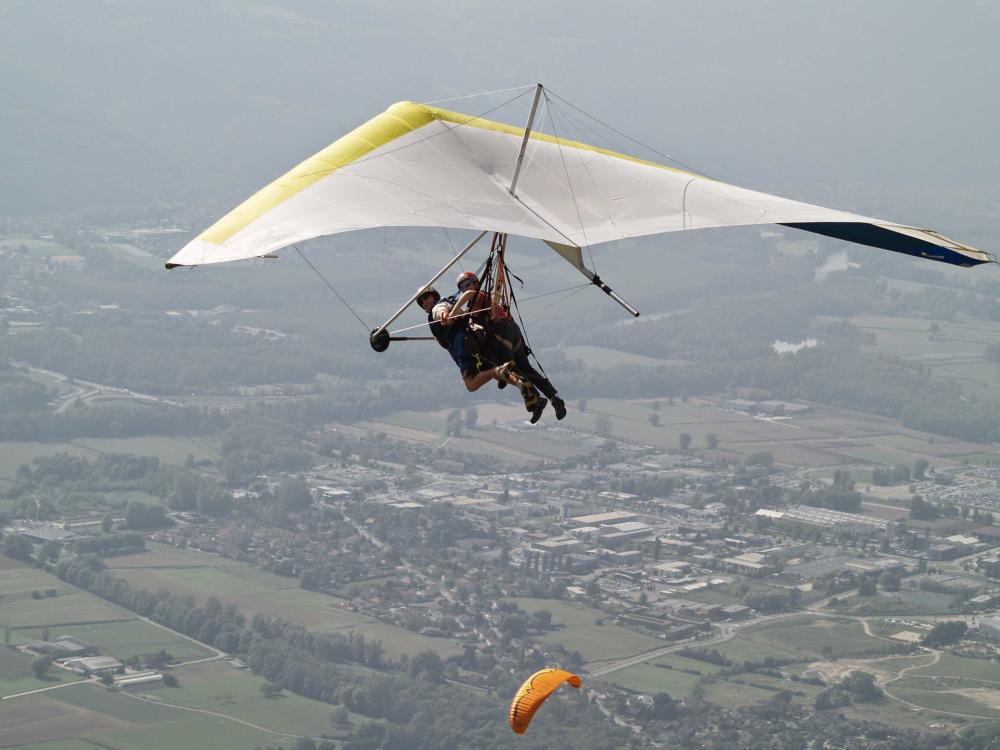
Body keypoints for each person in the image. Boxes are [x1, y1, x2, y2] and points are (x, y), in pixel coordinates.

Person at [417, 287, 548, 423]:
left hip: (464, 344)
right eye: (421, 302)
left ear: (433, 295)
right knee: (495, 373)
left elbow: (441, 312)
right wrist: (440, 335)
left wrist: (445, 316)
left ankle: (499, 371)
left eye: (425, 297)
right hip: (477, 338)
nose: (424, 302)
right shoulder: (448, 303)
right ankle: (529, 393)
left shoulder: (437, 308)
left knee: (471, 383)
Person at [452, 272, 567, 420]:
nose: (465, 289)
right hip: (512, 329)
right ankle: (554, 398)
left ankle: (536, 399)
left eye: (467, 284)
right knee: (526, 368)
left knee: (510, 367)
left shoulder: (478, 294)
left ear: (475, 283)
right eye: (462, 288)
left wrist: (453, 313)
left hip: (503, 329)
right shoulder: (476, 304)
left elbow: (469, 294)